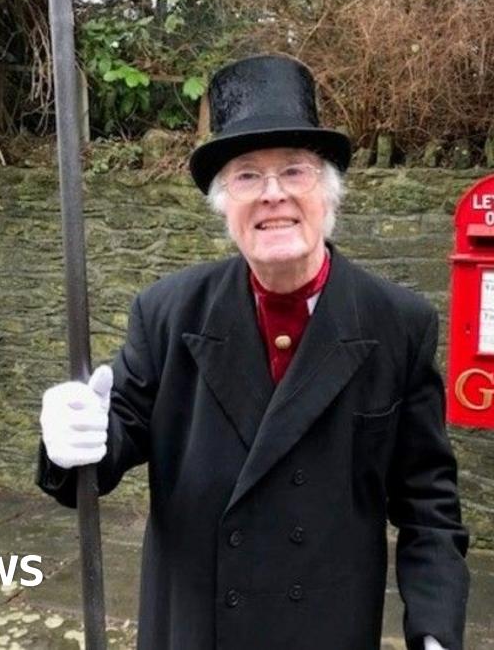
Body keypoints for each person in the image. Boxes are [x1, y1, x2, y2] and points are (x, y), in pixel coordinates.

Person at [36, 54, 469, 650]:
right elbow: (100, 459)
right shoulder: (167, 312)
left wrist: (435, 631)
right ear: (224, 206)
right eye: (246, 176)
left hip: (325, 631)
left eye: (294, 171)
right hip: (197, 628)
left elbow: (428, 507)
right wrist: (72, 439)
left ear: (329, 194)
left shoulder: (398, 323)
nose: (272, 195)